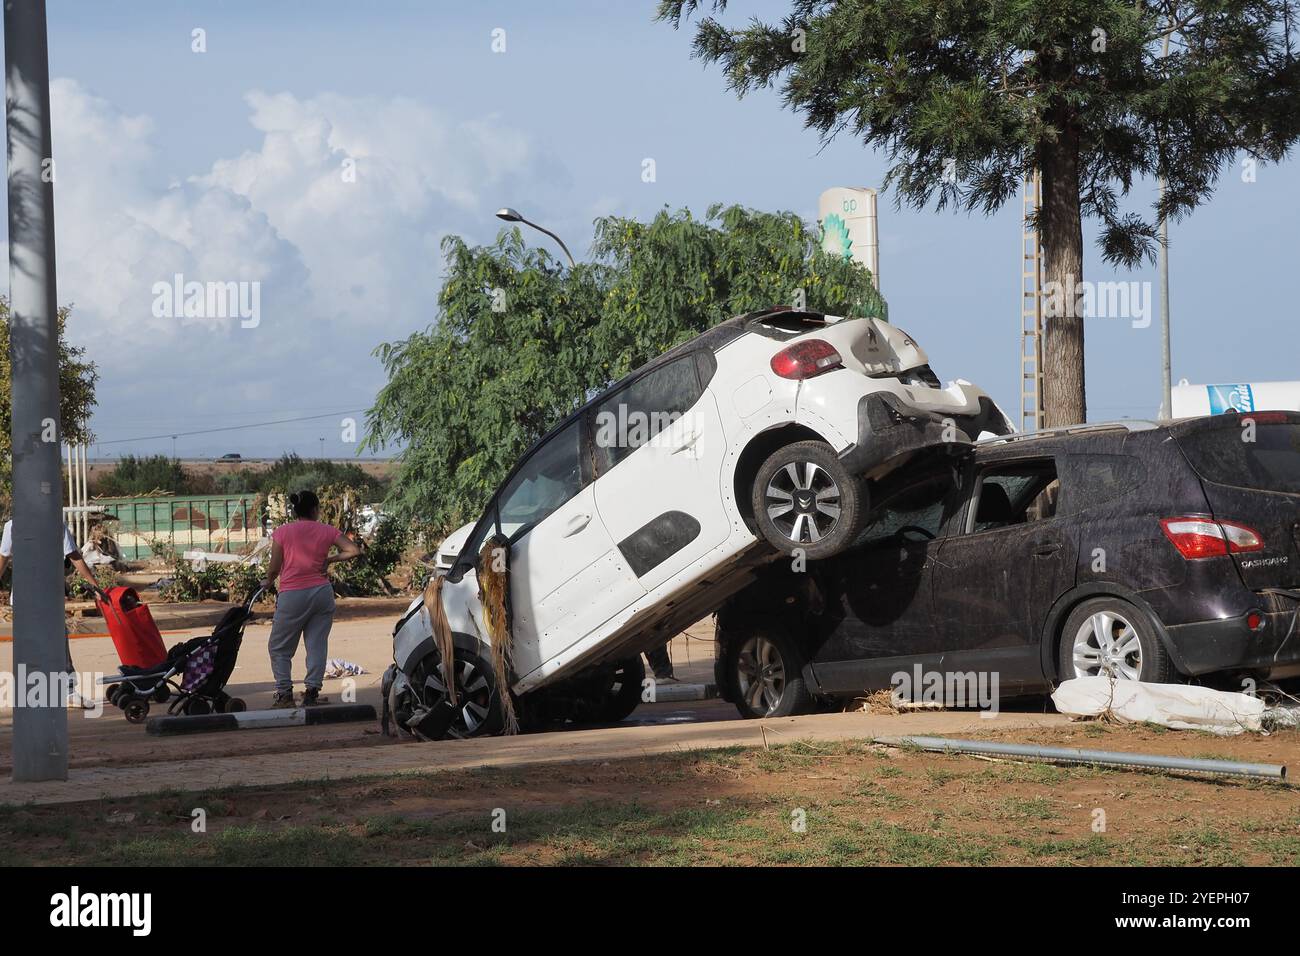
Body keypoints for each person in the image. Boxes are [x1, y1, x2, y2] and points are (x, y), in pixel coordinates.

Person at [259, 491, 361, 708]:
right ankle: (312, 692)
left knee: (279, 647)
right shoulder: (327, 530)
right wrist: (330, 559)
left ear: (296, 511)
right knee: (316, 644)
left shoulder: (282, 532)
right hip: (321, 594)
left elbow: (275, 567)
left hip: (292, 595)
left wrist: (267, 581)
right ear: (315, 509)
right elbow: (353, 550)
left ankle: (285, 693)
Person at [0, 517, 107, 708]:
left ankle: (68, 692)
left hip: (49, 597)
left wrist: (94, 585)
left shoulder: (56, 523)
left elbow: (74, 556)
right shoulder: (12, 526)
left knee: (58, 643)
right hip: (24, 598)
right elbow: (3, 557)